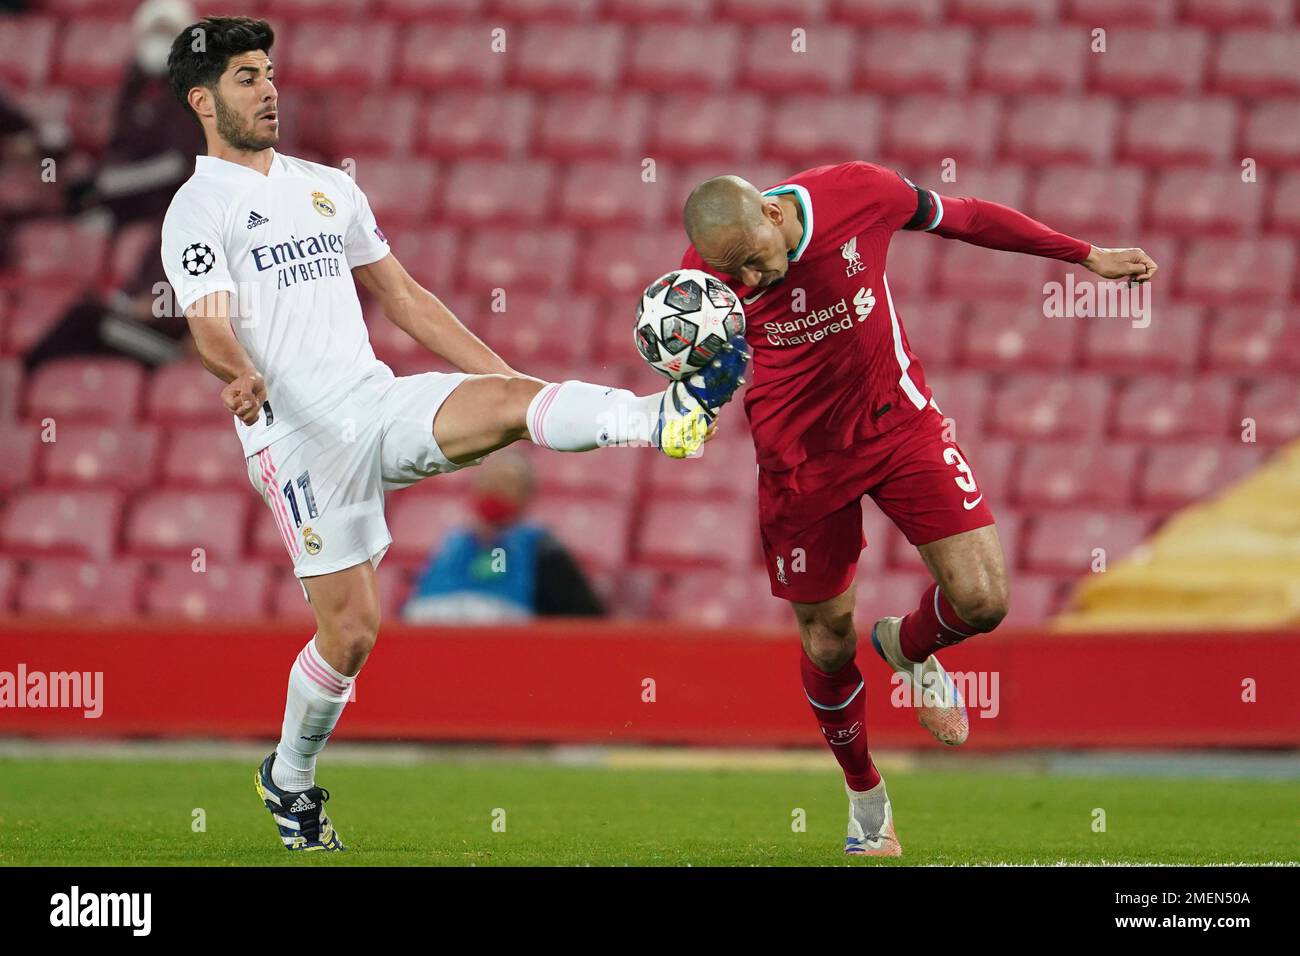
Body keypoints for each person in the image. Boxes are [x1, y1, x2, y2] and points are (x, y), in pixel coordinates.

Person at [160, 16, 746, 852]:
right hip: (296, 445)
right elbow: (209, 324)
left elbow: (403, 298)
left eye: (269, 73)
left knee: (512, 403)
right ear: (203, 100)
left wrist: (505, 382)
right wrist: (234, 373)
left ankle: (668, 417)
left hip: (375, 402)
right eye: (247, 78)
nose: (269, 89)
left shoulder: (328, 186)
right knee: (352, 633)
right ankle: (289, 778)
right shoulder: (196, 208)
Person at [679, 164, 1158, 856]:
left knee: (984, 599)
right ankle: (865, 796)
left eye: (755, 262)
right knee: (827, 641)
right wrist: (690, 393)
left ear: (775, 216)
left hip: (899, 425)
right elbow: (692, 355)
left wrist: (1085, 255)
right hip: (800, 462)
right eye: (736, 273)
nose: (748, 282)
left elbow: (967, 216)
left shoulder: (859, 195)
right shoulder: (708, 269)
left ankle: (906, 647)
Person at [402, 451, 605, 622]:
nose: (494, 491)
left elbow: (583, 622)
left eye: (506, 483)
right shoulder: (449, 547)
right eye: (488, 481)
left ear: (527, 495)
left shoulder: (543, 551)